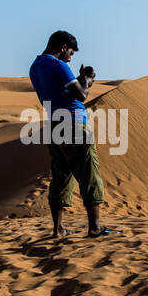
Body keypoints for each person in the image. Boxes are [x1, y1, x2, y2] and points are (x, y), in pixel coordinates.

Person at [28, 30, 118, 239]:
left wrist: (80, 78)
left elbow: (60, 91)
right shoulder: (58, 65)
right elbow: (81, 94)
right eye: (70, 52)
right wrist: (87, 79)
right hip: (73, 123)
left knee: (61, 176)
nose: (70, 56)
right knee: (89, 174)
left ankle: (58, 229)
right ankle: (95, 227)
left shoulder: (36, 67)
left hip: (53, 124)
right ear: (62, 47)